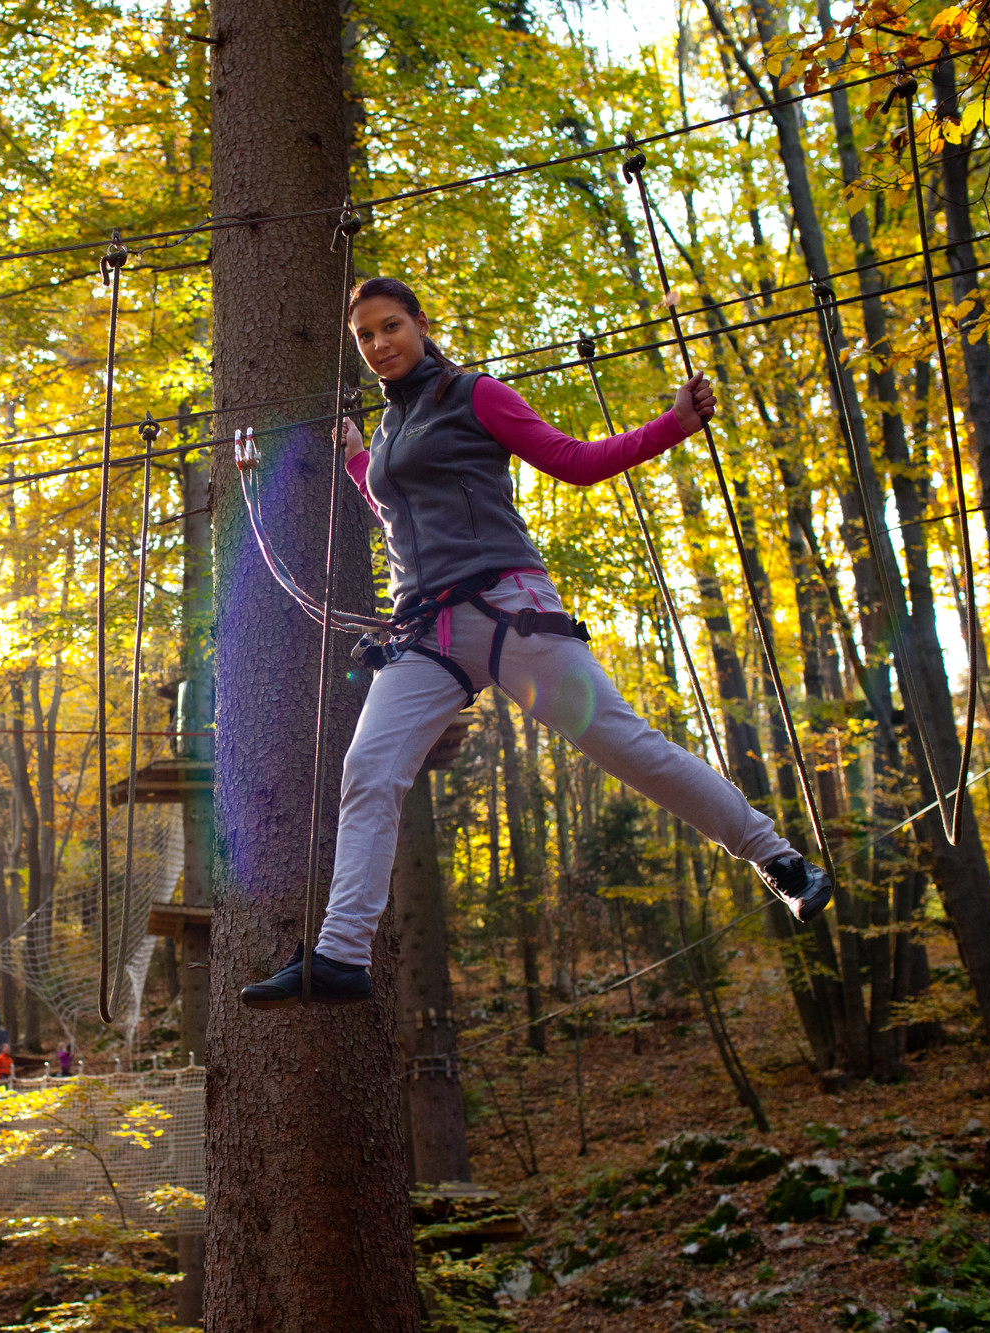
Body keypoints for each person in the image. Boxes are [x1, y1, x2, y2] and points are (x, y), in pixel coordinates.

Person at [242, 277, 832, 1009]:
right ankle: (340, 955)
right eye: (365, 335)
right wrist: (363, 461)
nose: (379, 344)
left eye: (390, 326)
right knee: (368, 766)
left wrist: (674, 423)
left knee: (624, 744)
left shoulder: (475, 394)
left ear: (420, 323)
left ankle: (778, 859)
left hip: (508, 610)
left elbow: (574, 461)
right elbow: (399, 510)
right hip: (428, 633)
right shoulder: (392, 427)